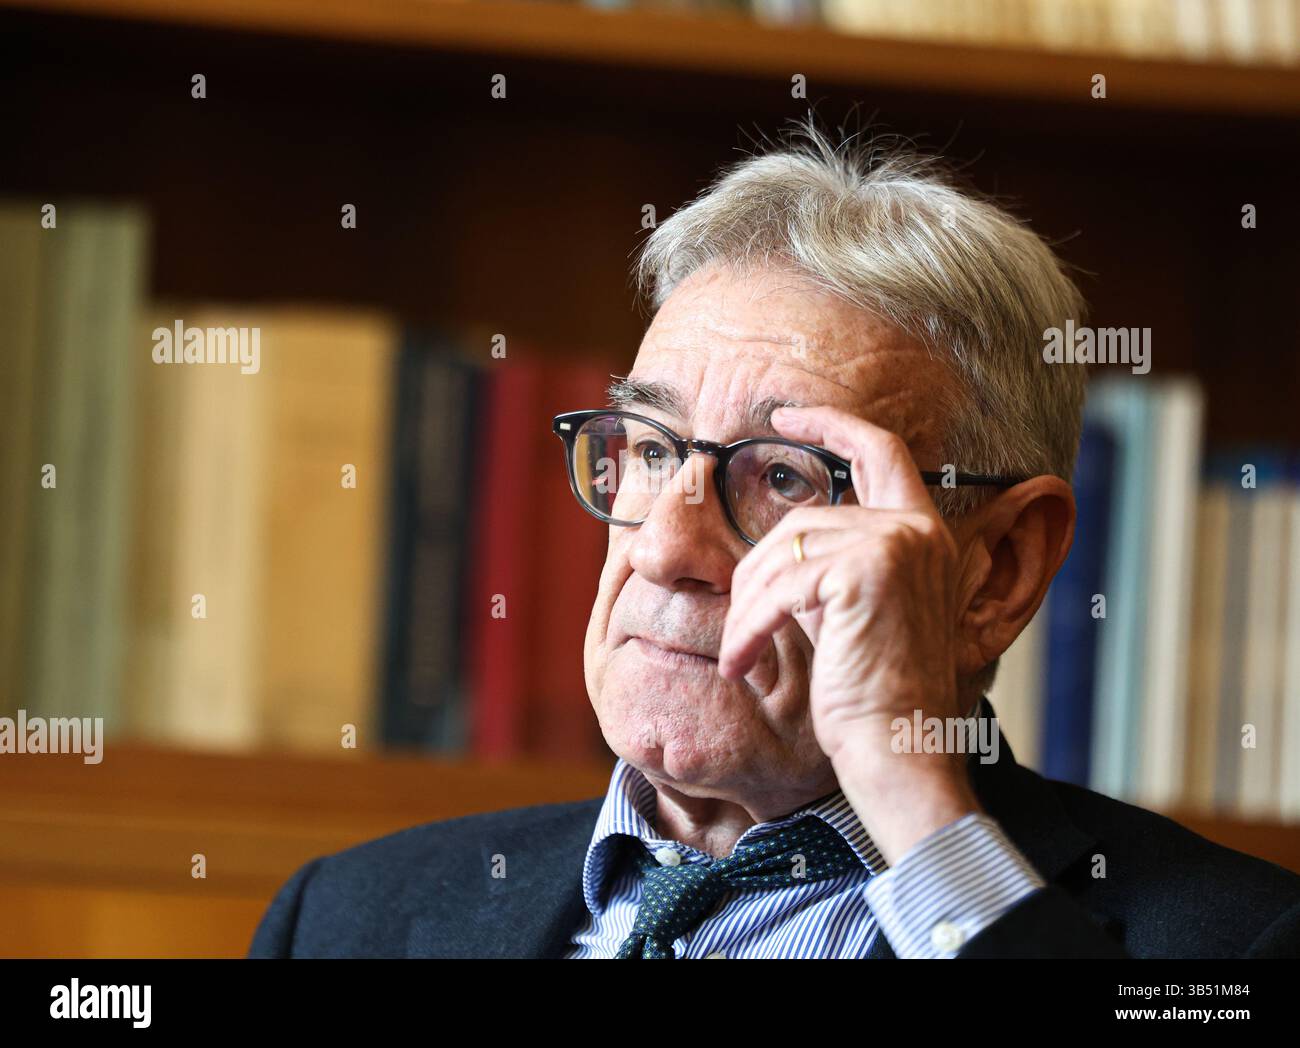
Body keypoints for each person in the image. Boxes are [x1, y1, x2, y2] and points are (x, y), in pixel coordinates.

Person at [249, 121, 1300, 959]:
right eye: (653, 450)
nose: (665, 546)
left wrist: (912, 798)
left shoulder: (1241, 941)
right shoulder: (348, 919)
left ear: (999, 567)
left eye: (785, 476)